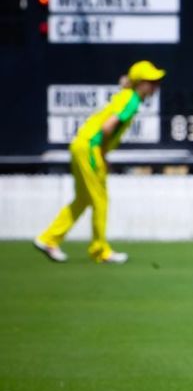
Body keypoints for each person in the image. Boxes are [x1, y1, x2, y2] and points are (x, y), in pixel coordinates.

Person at [33, 60, 166, 264]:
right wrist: (102, 154)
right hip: (90, 148)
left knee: (84, 199)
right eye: (151, 81)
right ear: (140, 83)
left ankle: (49, 239)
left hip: (81, 144)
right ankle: (100, 250)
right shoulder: (131, 100)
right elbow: (107, 127)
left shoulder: (127, 95)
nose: (156, 85)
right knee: (100, 199)